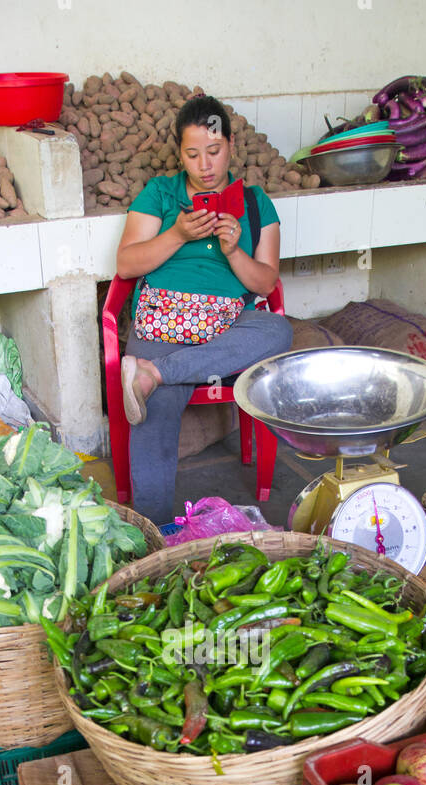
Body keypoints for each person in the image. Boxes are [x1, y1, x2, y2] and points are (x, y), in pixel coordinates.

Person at [116, 94, 294, 524]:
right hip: (163, 323)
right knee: (154, 408)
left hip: (223, 326)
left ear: (231, 145)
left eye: (213, 152)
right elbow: (126, 264)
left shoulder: (254, 203)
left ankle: (154, 373)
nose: (205, 165)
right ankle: (153, 531)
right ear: (180, 155)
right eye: (192, 154)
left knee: (278, 331)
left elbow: (266, 283)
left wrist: (233, 252)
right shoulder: (160, 193)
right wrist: (177, 234)